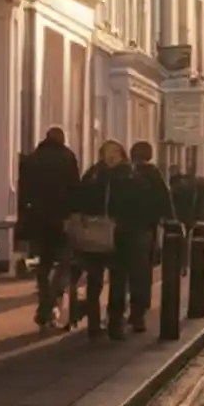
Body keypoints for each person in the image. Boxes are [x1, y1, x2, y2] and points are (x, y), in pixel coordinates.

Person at [75, 141, 144, 340]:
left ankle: (115, 322)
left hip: (122, 234)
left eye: (115, 152)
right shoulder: (95, 174)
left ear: (122, 154)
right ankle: (94, 324)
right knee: (94, 280)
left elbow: (138, 203)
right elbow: (81, 197)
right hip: (96, 232)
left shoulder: (130, 175)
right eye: (107, 152)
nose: (111, 156)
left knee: (118, 280)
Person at [19, 127, 81, 329]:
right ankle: (52, 299)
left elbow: (24, 189)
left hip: (38, 219)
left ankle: (45, 301)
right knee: (64, 262)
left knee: (43, 265)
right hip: (62, 219)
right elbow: (75, 188)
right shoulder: (67, 157)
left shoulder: (34, 158)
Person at [127, 142, 171, 333]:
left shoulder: (124, 173)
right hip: (144, 229)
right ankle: (138, 313)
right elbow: (164, 200)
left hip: (121, 228)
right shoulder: (153, 175)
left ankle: (116, 313)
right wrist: (171, 221)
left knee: (121, 272)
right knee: (142, 272)